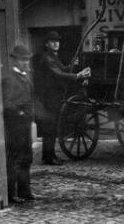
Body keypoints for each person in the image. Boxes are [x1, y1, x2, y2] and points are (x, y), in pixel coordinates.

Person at [32, 30, 90, 165]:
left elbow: (64, 70)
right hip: (49, 98)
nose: (56, 43)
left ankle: (49, 156)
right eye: (53, 41)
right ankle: (49, 157)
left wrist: (73, 65)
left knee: (51, 128)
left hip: (55, 97)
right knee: (50, 128)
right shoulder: (47, 58)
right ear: (47, 44)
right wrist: (78, 76)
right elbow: (58, 75)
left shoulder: (53, 57)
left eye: (57, 41)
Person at [2, 44, 35, 205]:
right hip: (15, 125)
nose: (25, 63)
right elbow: (7, 104)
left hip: (25, 123)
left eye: (27, 60)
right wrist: (20, 113)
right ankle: (11, 193)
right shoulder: (9, 79)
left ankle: (25, 190)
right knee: (14, 159)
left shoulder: (25, 77)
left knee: (27, 157)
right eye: (22, 60)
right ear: (14, 60)